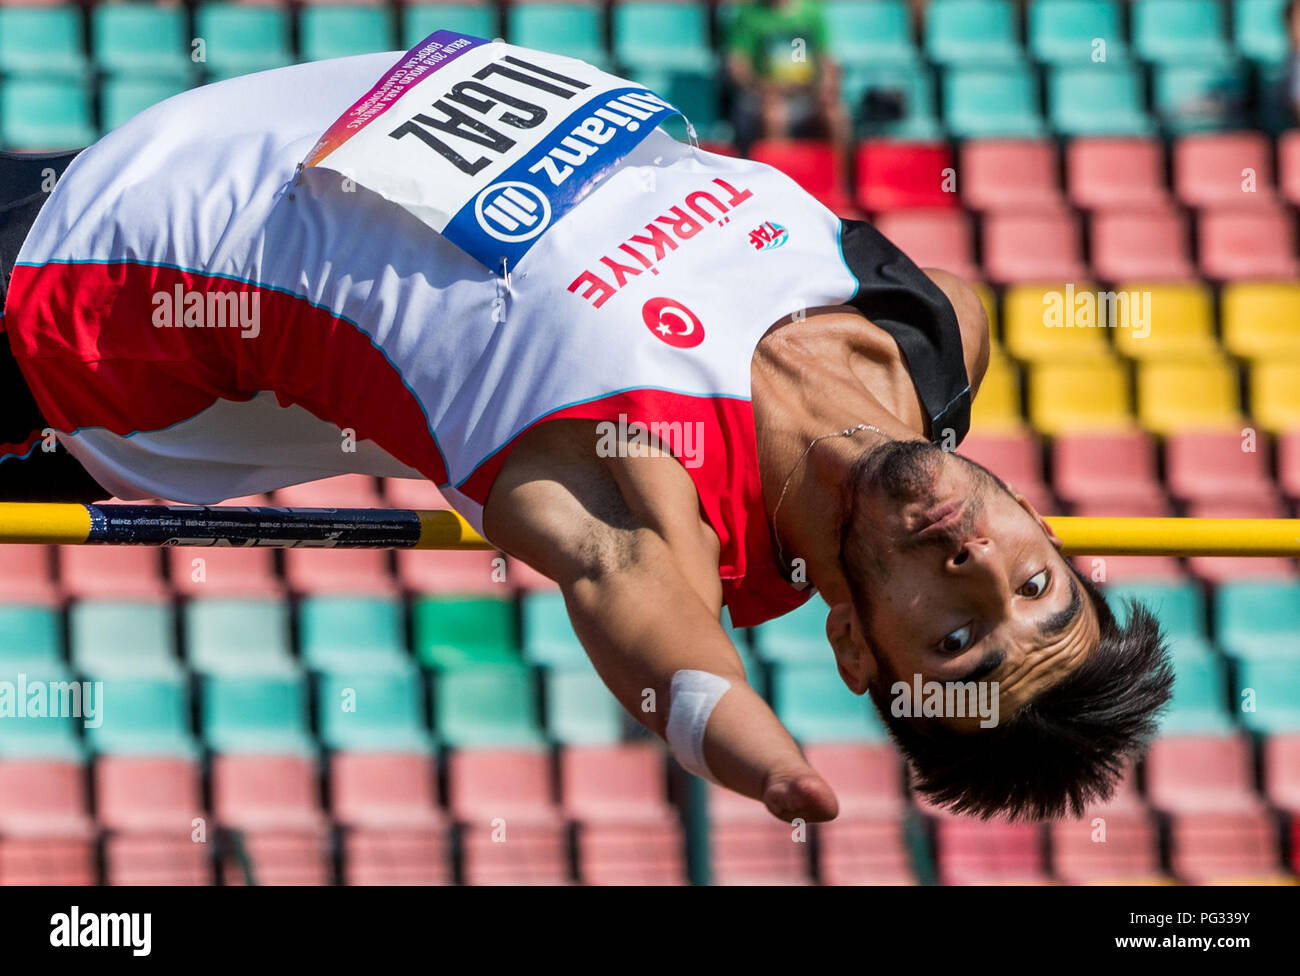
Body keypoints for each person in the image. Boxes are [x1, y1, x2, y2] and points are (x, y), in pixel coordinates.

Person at [0, 37, 1171, 824]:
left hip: (78, 315)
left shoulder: (661, 502)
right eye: (1036, 593)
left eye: (956, 640)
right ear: (1047, 536)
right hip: (138, 166)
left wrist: (765, 767)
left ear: (858, 654)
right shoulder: (929, 326)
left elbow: (657, 630)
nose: (980, 573)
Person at [725, 0, 851, 156]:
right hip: (762, 97)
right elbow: (738, 67)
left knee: (835, 116)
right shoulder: (747, 15)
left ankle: (839, 178)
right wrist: (764, 88)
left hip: (806, 95)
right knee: (774, 114)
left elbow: (826, 60)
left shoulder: (813, 12)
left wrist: (826, 86)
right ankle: (780, 175)